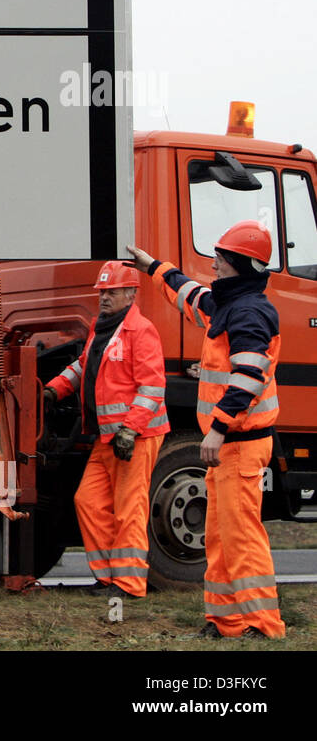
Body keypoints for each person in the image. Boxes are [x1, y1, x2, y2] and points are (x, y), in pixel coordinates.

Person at [127, 221, 285, 639]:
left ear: (240, 264)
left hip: (238, 444)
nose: (214, 262)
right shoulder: (232, 303)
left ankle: (263, 624)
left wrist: (216, 430)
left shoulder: (248, 311)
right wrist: (155, 267)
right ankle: (227, 621)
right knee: (219, 538)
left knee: (240, 537)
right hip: (232, 446)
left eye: (222, 257)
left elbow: (248, 378)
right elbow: (190, 294)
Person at [43, 261, 168, 597]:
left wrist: (131, 430)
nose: (104, 298)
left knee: (129, 509)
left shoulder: (141, 331)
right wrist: (55, 389)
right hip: (108, 437)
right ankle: (107, 578)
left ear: (131, 293)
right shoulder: (102, 329)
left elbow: (153, 387)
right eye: (102, 292)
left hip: (135, 438)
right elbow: (84, 367)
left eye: (111, 292)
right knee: (88, 502)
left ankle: (128, 585)